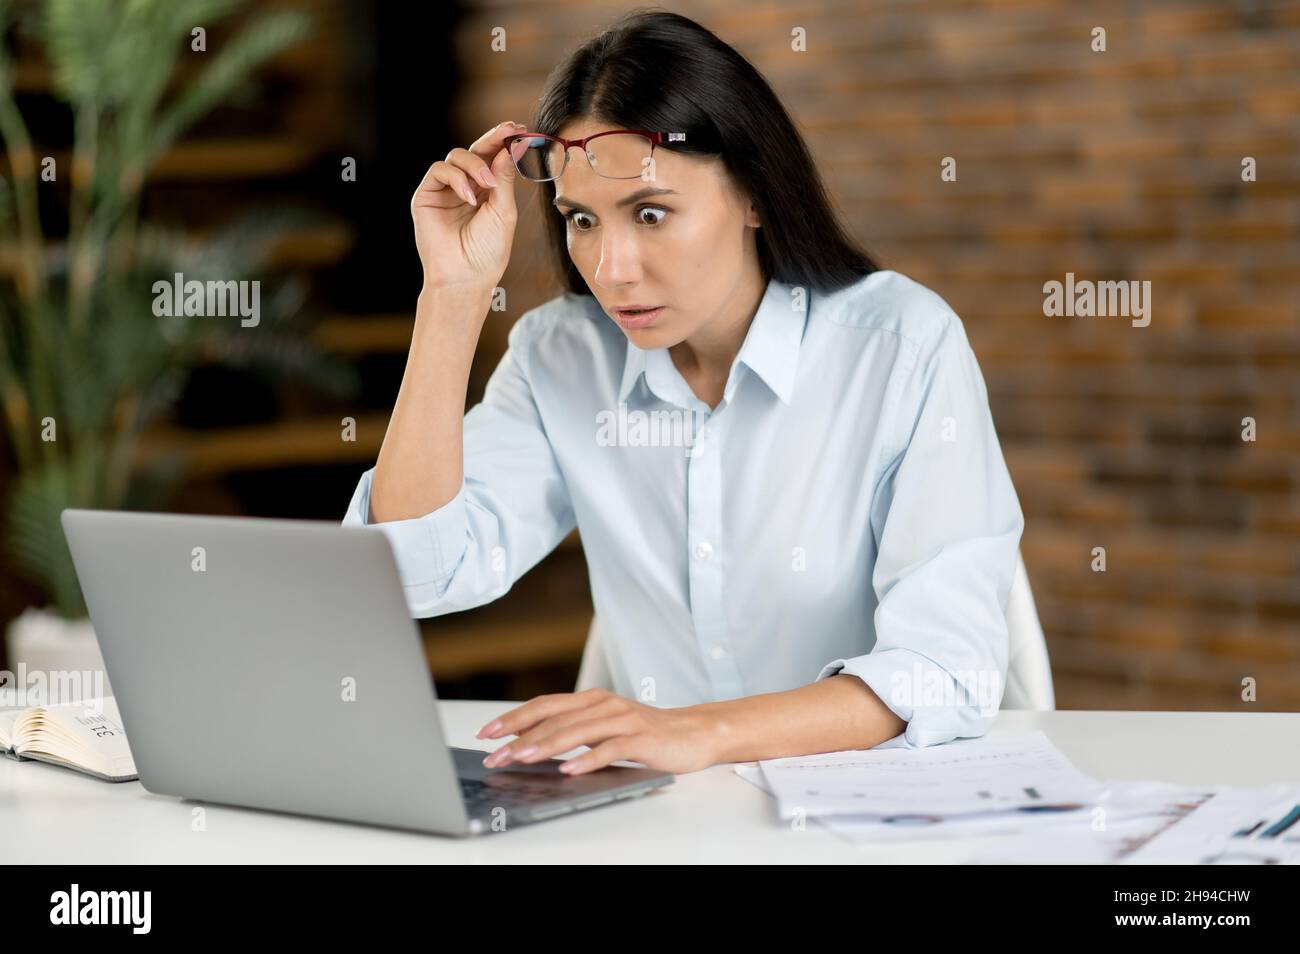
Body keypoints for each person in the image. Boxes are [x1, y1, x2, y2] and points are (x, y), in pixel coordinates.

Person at [342, 10, 1023, 776]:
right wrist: (452, 293)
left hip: (865, 811)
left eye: (652, 213)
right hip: (660, 824)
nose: (612, 268)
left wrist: (697, 732)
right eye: (581, 221)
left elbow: (944, 671)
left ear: (755, 196)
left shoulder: (901, 347)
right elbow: (415, 573)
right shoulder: (561, 357)